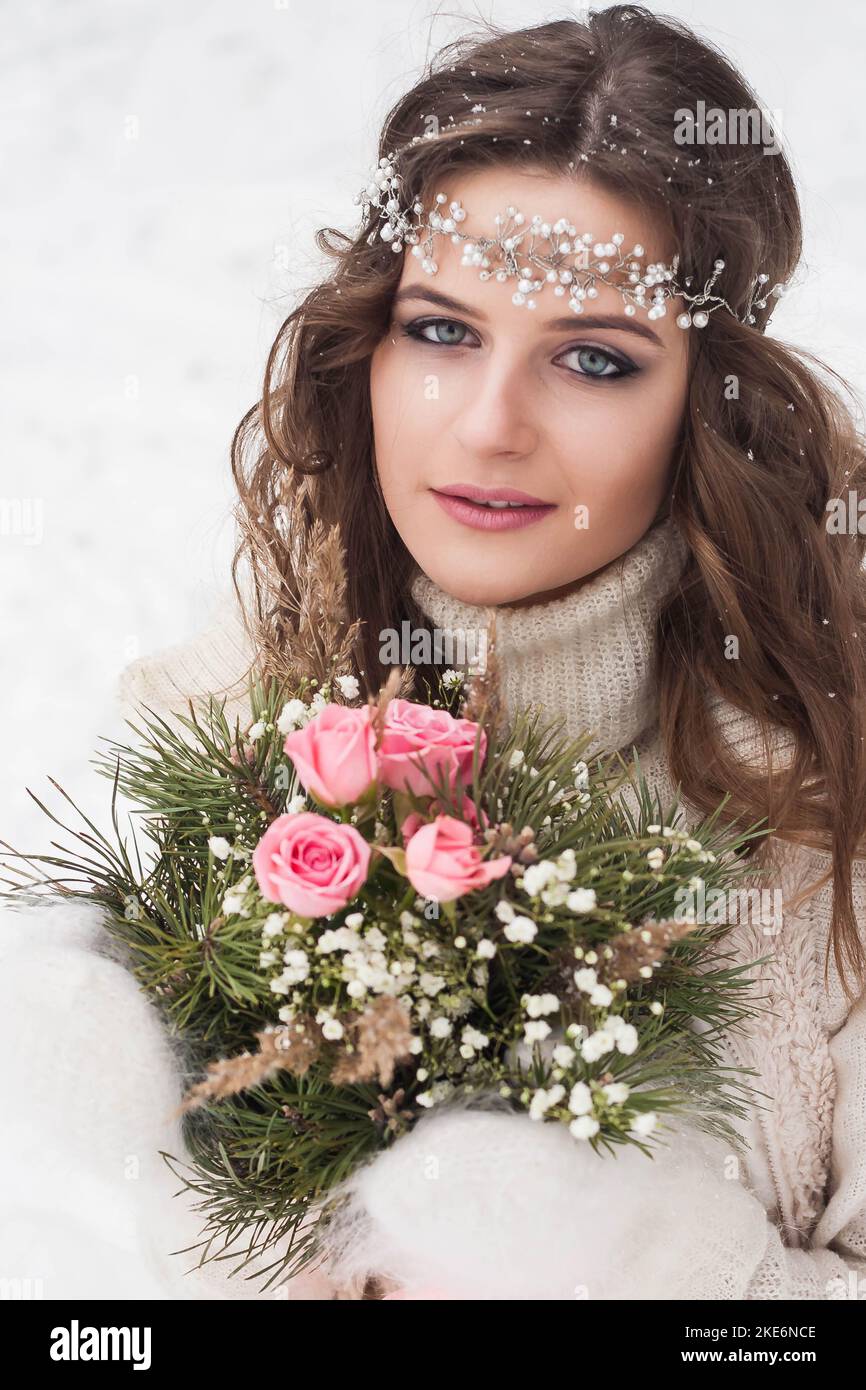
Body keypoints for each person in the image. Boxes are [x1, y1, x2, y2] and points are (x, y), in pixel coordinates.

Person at [4, 6, 866, 1300]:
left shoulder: (821, 828)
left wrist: (637, 1252)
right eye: (443, 331)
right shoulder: (224, 729)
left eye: (590, 356)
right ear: (368, 341)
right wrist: (167, 1174)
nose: (487, 426)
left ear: (707, 399)